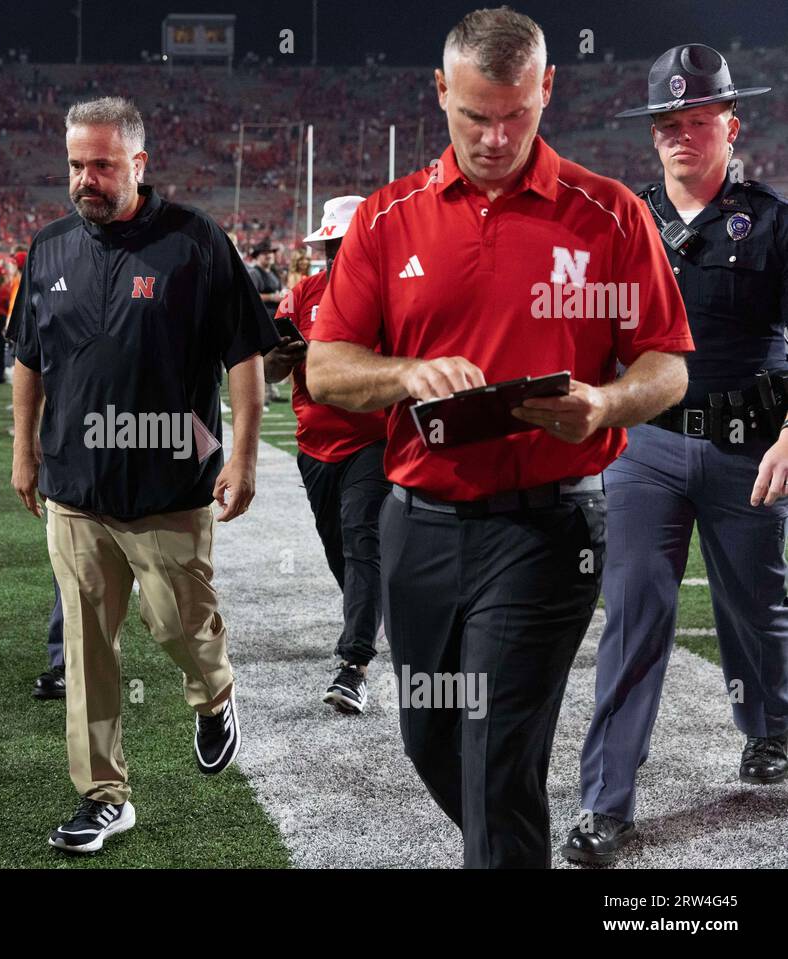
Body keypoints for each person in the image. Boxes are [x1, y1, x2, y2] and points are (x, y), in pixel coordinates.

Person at [305, 7, 693, 868]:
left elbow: (668, 366)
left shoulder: (612, 214)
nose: (494, 135)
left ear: (547, 89)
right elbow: (326, 369)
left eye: (515, 114)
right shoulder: (385, 217)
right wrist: (407, 373)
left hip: (547, 530)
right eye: (475, 115)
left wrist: (605, 401)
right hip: (419, 523)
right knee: (430, 739)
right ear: (440, 92)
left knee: (492, 750)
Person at [11, 96, 279, 854]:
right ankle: (104, 794)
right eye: (75, 164)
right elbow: (29, 358)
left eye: (101, 164)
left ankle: (214, 693)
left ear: (138, 163)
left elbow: (243, 355)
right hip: (76, 486)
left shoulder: (195, 242)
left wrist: (245, 454)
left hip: (169, 483)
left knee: (177, 625)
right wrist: (23, 450)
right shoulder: (50, 246)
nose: (85, 179)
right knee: (88, 648)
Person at [565, 44, 788, 865]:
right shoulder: (620, 227)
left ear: (731, 125)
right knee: (632, 618)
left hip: (749, 449)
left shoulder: (773, 221)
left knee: (759, 608)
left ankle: (770, 724)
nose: (684, 135)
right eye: (669, 123)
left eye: (700, 120)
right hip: (647, 449)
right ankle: (606, 803)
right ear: (653, 136)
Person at [265, 195, 391, 714]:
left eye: (350, 243)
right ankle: (374, 619)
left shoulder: (392, 297)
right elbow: (269, 370)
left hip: (373, 441)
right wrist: (283, 353)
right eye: (336, 245)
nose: (342, 253)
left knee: (363, 543)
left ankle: (353, 664)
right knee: (342, 552)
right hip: (314, 446)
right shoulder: (302, 295)